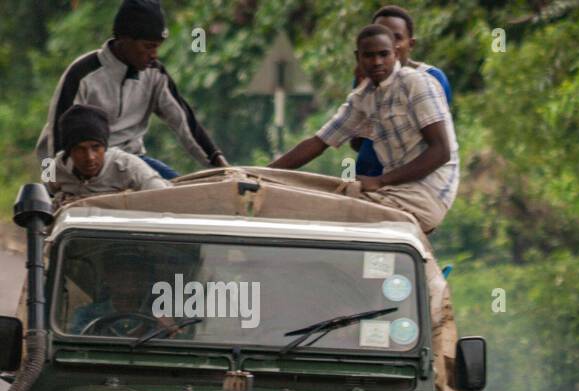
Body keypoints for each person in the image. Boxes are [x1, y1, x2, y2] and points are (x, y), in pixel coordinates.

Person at [268, 24, 457, 234]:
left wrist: (380, 181)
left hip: (426, 194)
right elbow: (318, 143)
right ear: (358, 57)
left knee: (323, 211)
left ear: (395, 54)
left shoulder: (416, 83)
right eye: (369, 56)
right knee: (314, 193)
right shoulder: (363, 97)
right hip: (392, 191)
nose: (377, 62)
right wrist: (259, 175)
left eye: (383, 54)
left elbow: (441, 151)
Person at [36, 0, 229, 180]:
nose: (154, 54)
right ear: (124, 40)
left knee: (180, 195)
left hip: (133, 161)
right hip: (83, 167)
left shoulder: (155, 74)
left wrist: (219, 164)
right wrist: (58, 183)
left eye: (157, 47)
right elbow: (56, 137)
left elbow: (185, 123)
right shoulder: (82, 74)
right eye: (148, 47)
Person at [353, 5, 453, 180]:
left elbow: (436, 147)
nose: (389, 43)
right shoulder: (367, 79)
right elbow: (356, 143)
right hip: (365, 178)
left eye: (396, 37)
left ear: (411, 43)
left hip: (407, 184)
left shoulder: (430, 79)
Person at [49, 105, 169, 209]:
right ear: (69, 152)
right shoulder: (51, 167)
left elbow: (164, 197)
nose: (90, 157)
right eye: (80, 149)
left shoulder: (128, 166)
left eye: (96, 147)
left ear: (105, 147)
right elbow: (46, 196)